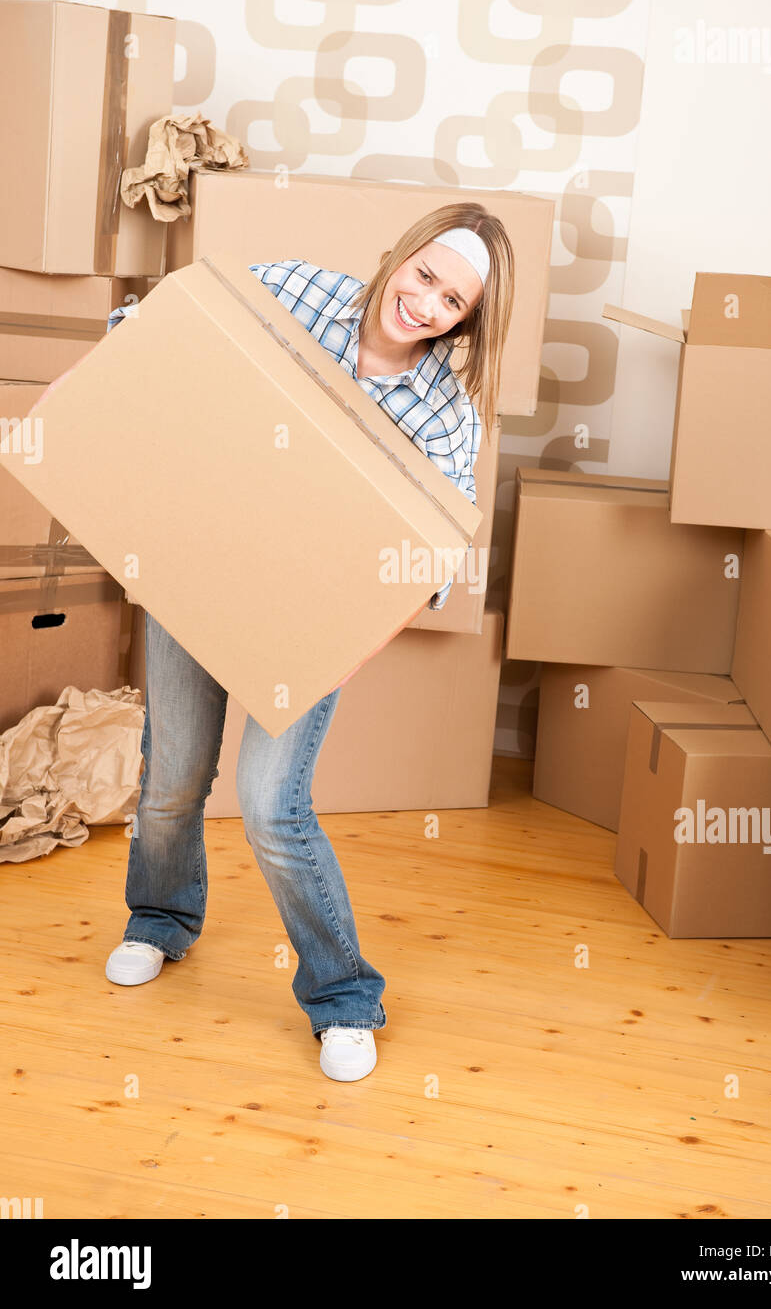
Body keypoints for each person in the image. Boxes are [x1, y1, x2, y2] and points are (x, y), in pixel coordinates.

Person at [103, 201, 515, 1082]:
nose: (426, 303)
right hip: (199, 563)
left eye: (453, 302)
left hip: (307, 614)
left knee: (270, 804)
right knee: (172, 777)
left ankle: (343, 997)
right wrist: (125, 350)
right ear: (401, 257)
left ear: (466, 322)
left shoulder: (445, 412)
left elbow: (435, 557)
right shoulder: (298, 293)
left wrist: (358, 631)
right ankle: (159, 921)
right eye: (425, 276)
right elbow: (165, 327)